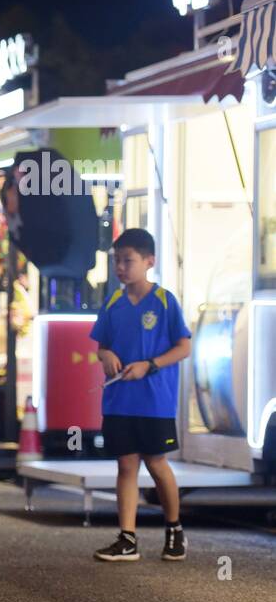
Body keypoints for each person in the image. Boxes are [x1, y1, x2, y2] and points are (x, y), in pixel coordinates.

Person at [90, 229, 192, 562]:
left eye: (128, 261)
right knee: (126, 466)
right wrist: (104, 356)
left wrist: (149, 365)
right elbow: (101, 346)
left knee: (157, 464)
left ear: (149, 262)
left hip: (154, 400)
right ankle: (127, 538)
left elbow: (184, 347)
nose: (121, 267)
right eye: (117, 260)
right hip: (119, 400)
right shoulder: (113, 302)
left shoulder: (164, 301)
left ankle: (174, 529)